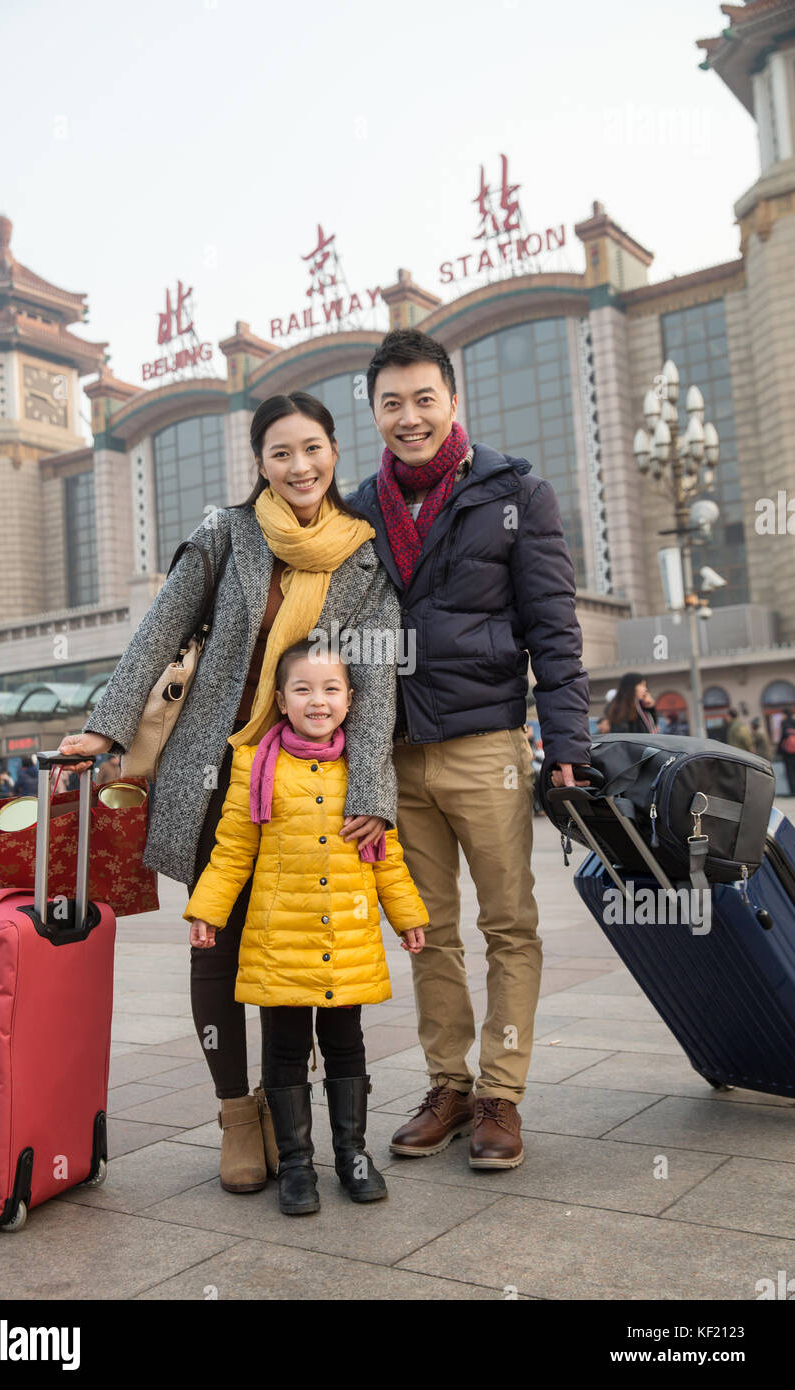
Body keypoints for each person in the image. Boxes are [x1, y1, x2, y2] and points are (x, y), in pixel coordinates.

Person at [57, 391, 402, 1195]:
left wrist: (374, 789)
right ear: (260, 463)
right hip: (213, 775)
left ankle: (299, 1125)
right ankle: (235, 1117)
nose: (299, 466)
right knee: (217, 941)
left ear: (334, 453)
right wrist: (105, 729)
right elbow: (159, 631)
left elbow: (376, 682)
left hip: (310, 782)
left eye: (311, 449)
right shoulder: (227, 534)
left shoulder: (362, 556)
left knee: (295, 945)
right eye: (281, 454)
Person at [346, 328, 590, 1170]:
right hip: (394, 753)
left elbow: (554, 630)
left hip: (488, 744)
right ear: (372, 413)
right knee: (426, 931)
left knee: (510, 926)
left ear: (453, 400)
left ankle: (501, 1095)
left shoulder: (516, 491)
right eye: (391, 403)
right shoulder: (357, 510)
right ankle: (447, 1085)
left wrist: (567, 742)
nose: (409, 417)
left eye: (423, 399)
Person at [185, 640, 428, 1215]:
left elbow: (386, 853)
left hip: (346, 939)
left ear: (350, 699)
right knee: (285, 1051)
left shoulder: (364, 769)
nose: (317, 701)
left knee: (346, 1047)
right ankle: (296, 1166)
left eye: (330, 689)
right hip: (278, 943)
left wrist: (410, 915)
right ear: (280, 699)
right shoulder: (255, 765)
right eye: (303, 689)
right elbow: (232, 850)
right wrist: (208, 909)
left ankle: (353, 1157)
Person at [777, 707, 795, 796]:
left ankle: (793, 791)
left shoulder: (784, 723)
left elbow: (783, 737)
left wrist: (779, 750)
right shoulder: (794, 721)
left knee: (790, 771)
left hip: (788, 752)